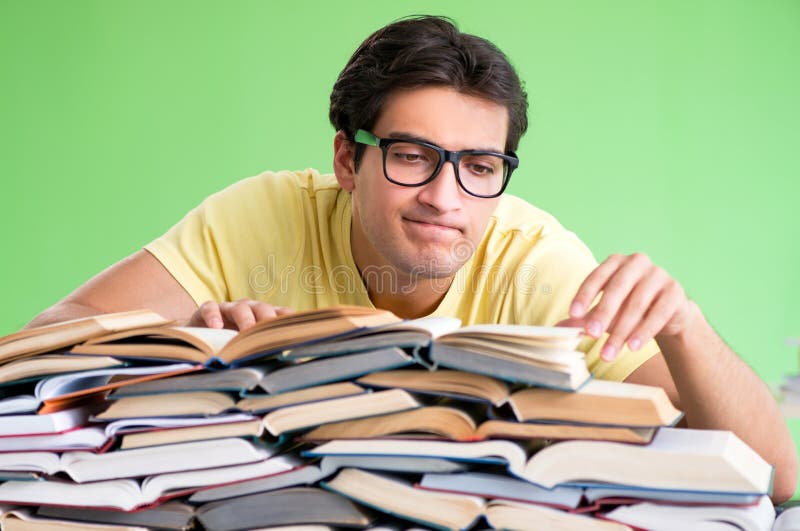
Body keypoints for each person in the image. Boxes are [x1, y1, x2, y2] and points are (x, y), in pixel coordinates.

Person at [26, 16, 797, 501]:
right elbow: (43, 341)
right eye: (412, 155)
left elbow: (778, 476)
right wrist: (195, 351)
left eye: (480, 166)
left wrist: (686, 327)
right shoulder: (260, 216)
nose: (446, 197)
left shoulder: (536, 261)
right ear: (347, 159)